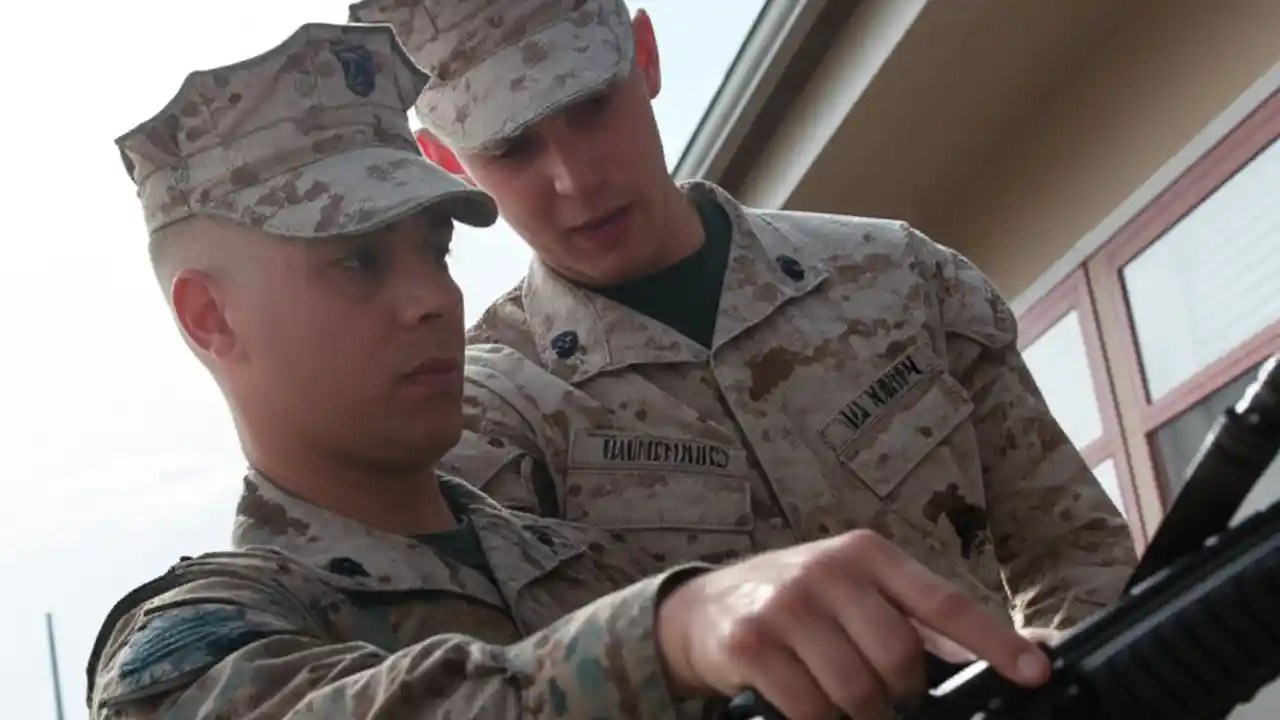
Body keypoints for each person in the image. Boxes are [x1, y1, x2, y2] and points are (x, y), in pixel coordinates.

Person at [88, 22, 1057, 720]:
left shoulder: (588, 567)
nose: (431, 298)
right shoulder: (201, 637)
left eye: (433, 247)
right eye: (357, 261)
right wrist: (668, 636)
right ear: (210, 317)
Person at [346, 0, 1139, 635]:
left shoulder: (900, 277)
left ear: (645, 57)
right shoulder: (483, 418)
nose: (577, 178)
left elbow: (1079, 558)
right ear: (447, 162)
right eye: (513, 148)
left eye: (591, 106)